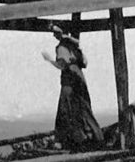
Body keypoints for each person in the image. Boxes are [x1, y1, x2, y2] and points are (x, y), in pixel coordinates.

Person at [42, 23, 103, 151]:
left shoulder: (61, 47)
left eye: (54, 31)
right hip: (80, 78)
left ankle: (73, 140)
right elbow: (85, 63)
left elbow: (62, 65)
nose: (53, 35)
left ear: (60, 32)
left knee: (66, 108)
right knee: (83, 107)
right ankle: (95, 136)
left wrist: (49, 60)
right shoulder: (74, 46)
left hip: (69, 79)